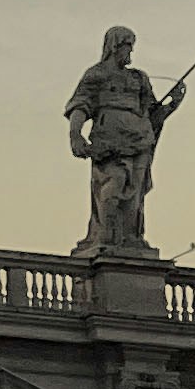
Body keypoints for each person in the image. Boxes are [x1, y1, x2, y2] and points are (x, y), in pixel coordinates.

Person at [66, 25, 183, 256]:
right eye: (127, 46)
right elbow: (80, 105)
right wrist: (75, 134)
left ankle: (131, 238)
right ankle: (106, 235)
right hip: (109, 141)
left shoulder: (139, 78)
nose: (130, 52)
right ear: (114, 46)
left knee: (136, 192)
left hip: (140, 140)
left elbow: (152, 114)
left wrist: (173, 103)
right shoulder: (96, 74)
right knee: (112, 185)